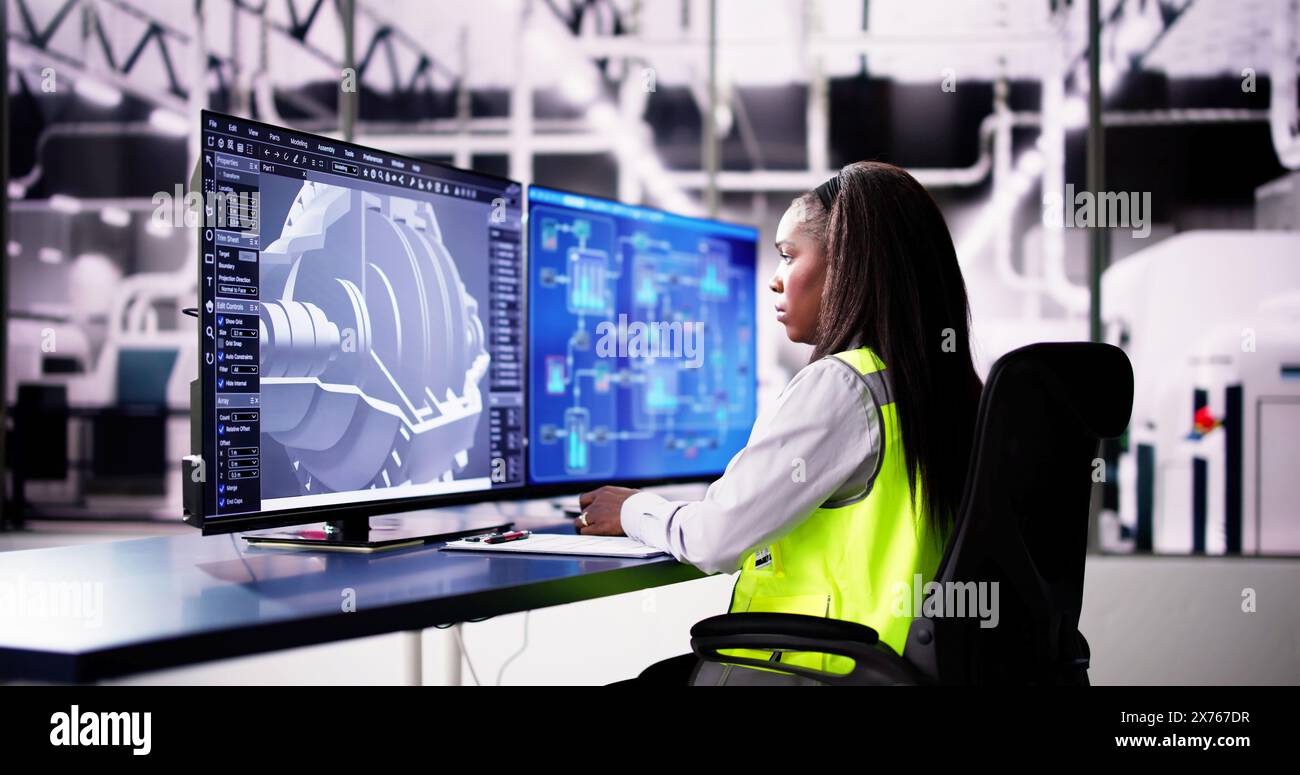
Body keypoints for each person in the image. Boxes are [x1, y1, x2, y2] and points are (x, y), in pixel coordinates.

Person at [579, 161, 984, 683]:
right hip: (897, 668)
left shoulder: (844, 386)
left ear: (849, 268)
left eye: (790, 256)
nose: (774, 279)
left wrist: (634, 507)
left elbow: (714, 539)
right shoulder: (948, 389)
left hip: (817, 670)